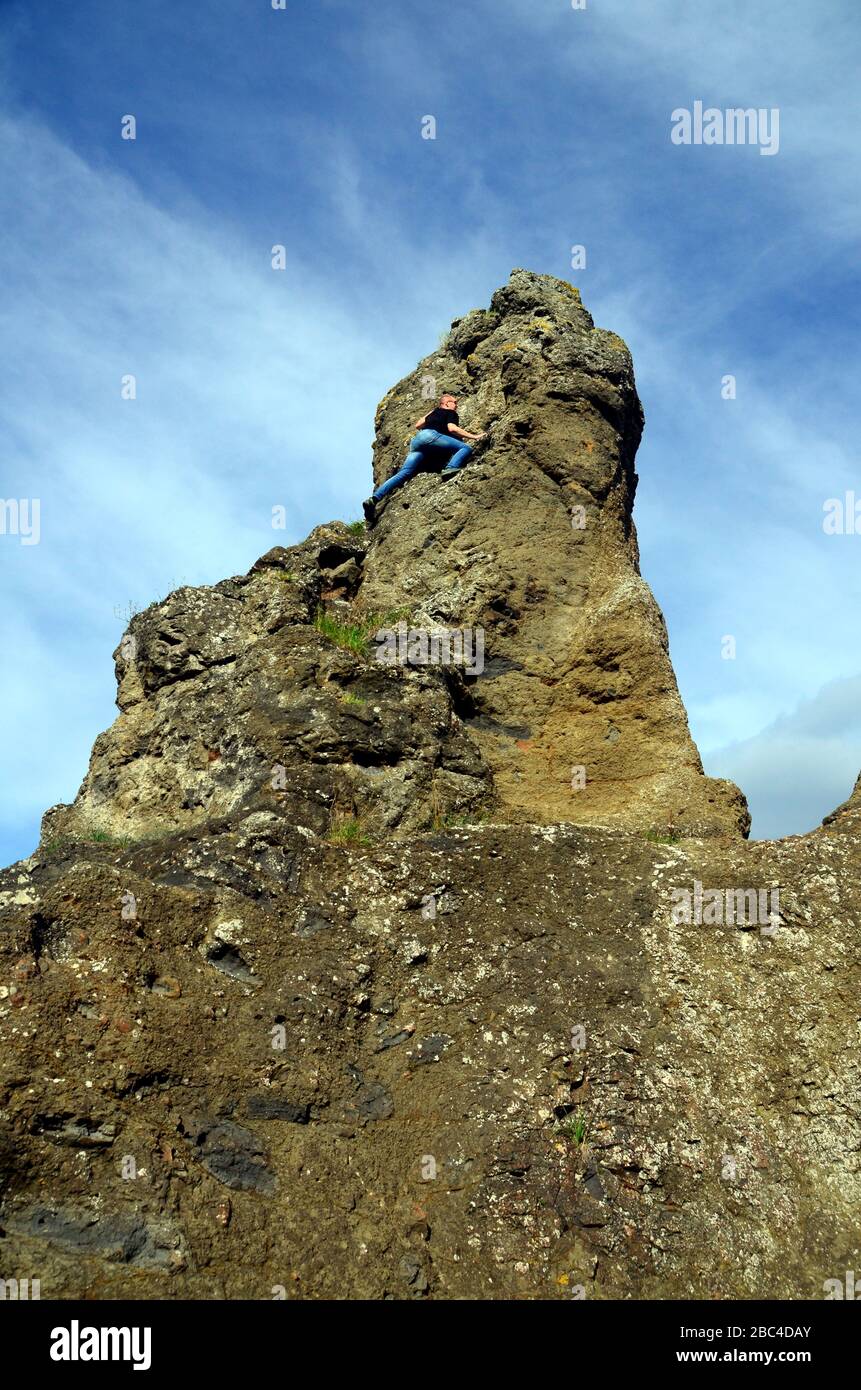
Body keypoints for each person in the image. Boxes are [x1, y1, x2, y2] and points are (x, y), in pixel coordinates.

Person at [363, 394, 487, 525]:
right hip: (431, 436)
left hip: (417, 441)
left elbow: (418, 424)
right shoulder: (451, 412)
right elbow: (452, 428)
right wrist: (475, 436)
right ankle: (450, 468)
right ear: (447, 404)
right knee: (465, 448)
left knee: (404, 473)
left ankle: (374, 499)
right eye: (454, 403)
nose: (456, 405)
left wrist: (435, 410)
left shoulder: (435, 412)